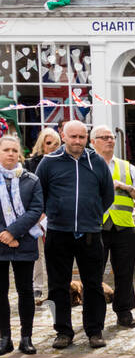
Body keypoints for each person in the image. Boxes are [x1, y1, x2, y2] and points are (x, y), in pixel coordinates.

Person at [35, 120, 113, 350]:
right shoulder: (48, 163)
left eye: (81, 137)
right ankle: (63, 331)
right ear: (64, 136)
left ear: (87, 138)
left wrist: (93, 214)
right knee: (58, 285)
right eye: (73, 137)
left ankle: (95, 330)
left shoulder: (96, 162)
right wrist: (54, 214)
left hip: (89, 232)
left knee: (93, 284)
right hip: (58, 232)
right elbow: (40, 194)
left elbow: (107, 194)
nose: (77, 141)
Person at [89, 126, 135, 329]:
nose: (110, 141)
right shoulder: (86, 165)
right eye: (104, 137)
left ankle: (124, 312)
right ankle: (94, 317)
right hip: (96, 226)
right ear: (93, 142)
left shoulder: (127, 167)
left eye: (112, 137)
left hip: (123, 226)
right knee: (94, 274)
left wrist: (126, 187)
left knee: (125, 272)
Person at [0, 133, 43, 355]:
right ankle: (4, 337)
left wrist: (14, 231)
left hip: (24, 242)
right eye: (6, 150)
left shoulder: (31, 180)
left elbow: (36, 210)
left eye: (14, 151)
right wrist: (4, 234)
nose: (10, 154)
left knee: (25, 291)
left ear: (20, 155)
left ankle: (26, 337)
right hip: (0, 242)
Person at [25, 126, 60, 303]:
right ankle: (37, 287)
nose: (52, 147)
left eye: (56, 143)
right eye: (49, 143)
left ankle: (58, 287)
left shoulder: (64, 162)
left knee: (57, 253)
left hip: (58, 214)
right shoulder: (31, 164)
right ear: (42, 144)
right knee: (37, 253)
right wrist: (38, 213)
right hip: (37, 214)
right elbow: (28, 191)